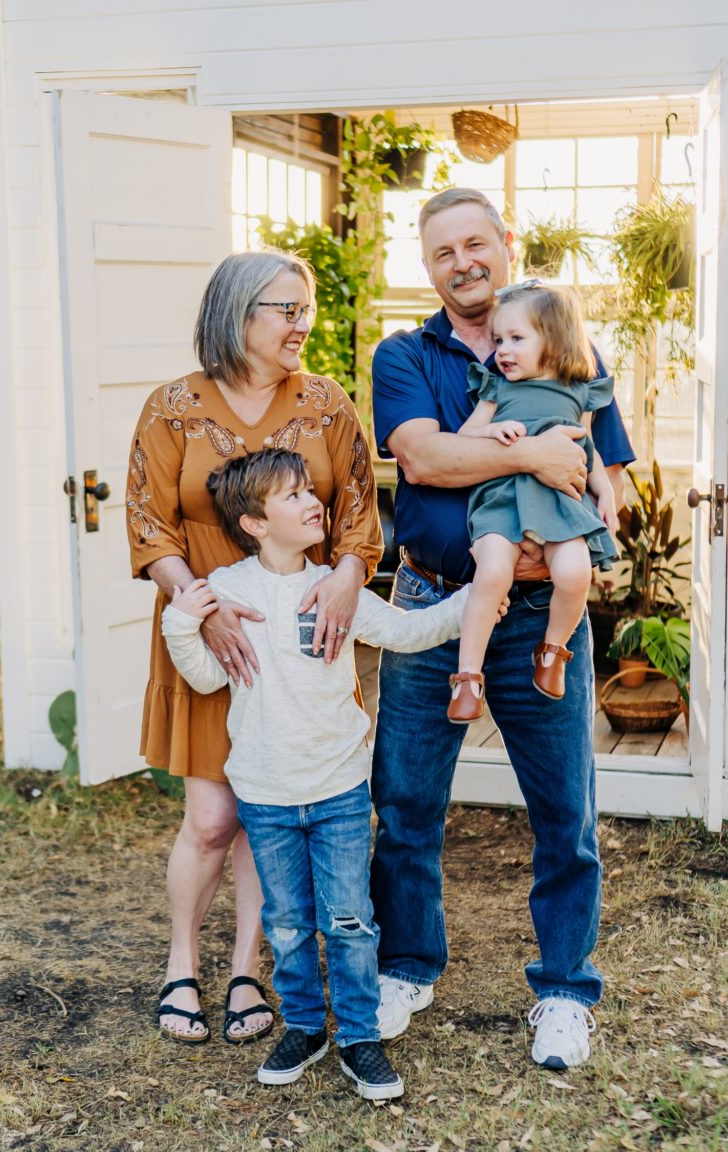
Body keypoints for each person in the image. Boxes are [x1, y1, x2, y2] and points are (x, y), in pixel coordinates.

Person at [370, 188, 635, 1070]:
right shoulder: (405, 354)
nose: (463, 262)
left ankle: (563, 991)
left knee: (566, 813)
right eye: (443, 252)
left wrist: (593, 496)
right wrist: (530, 454)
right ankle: (406, 967)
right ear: (429, 266)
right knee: (407, 804)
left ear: (504, 244)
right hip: (427, 602)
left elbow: (613, 478)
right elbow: (424, 456)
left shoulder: (569, 343)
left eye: (475, 243)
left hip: (539, 616)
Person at [125, 250, 382, 1046]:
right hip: (206, 623)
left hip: (299, 636)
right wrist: (198, 607)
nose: (302, 323)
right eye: (286, 309)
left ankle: (245, 968)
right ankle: (179, 965)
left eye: (305, 309)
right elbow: (147, 521)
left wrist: (345, 577)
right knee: (213, 815)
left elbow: (359, 513)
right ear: (237, 315)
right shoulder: (171, 407)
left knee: (267, 807)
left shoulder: (327, 403)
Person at [160, 448, 473, 1100]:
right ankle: (305, 1026)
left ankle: (359, 1037)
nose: (313, 503)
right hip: (266, 794)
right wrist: (183, 621)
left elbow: (409, 632)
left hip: (337, 788)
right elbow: (205, 675)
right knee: (288, 924)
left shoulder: (337, 585)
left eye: (311, 491)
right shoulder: (230, 591)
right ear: (253, 522)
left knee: (351, 919)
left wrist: (478, 597)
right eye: (294, 495)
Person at [448, 281, 619, 723]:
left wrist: (606, 494)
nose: (503, 350)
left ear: (555, 338)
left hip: (560, 503)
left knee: (575, 571)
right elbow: (463, 438)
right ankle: (468, 676)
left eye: (516, 339)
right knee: (493, 574)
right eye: (499, 339)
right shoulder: (496, 389)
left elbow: (589, 450)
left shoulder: (579, 392)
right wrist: (490, 433)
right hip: (502, 502)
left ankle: (553, 650)